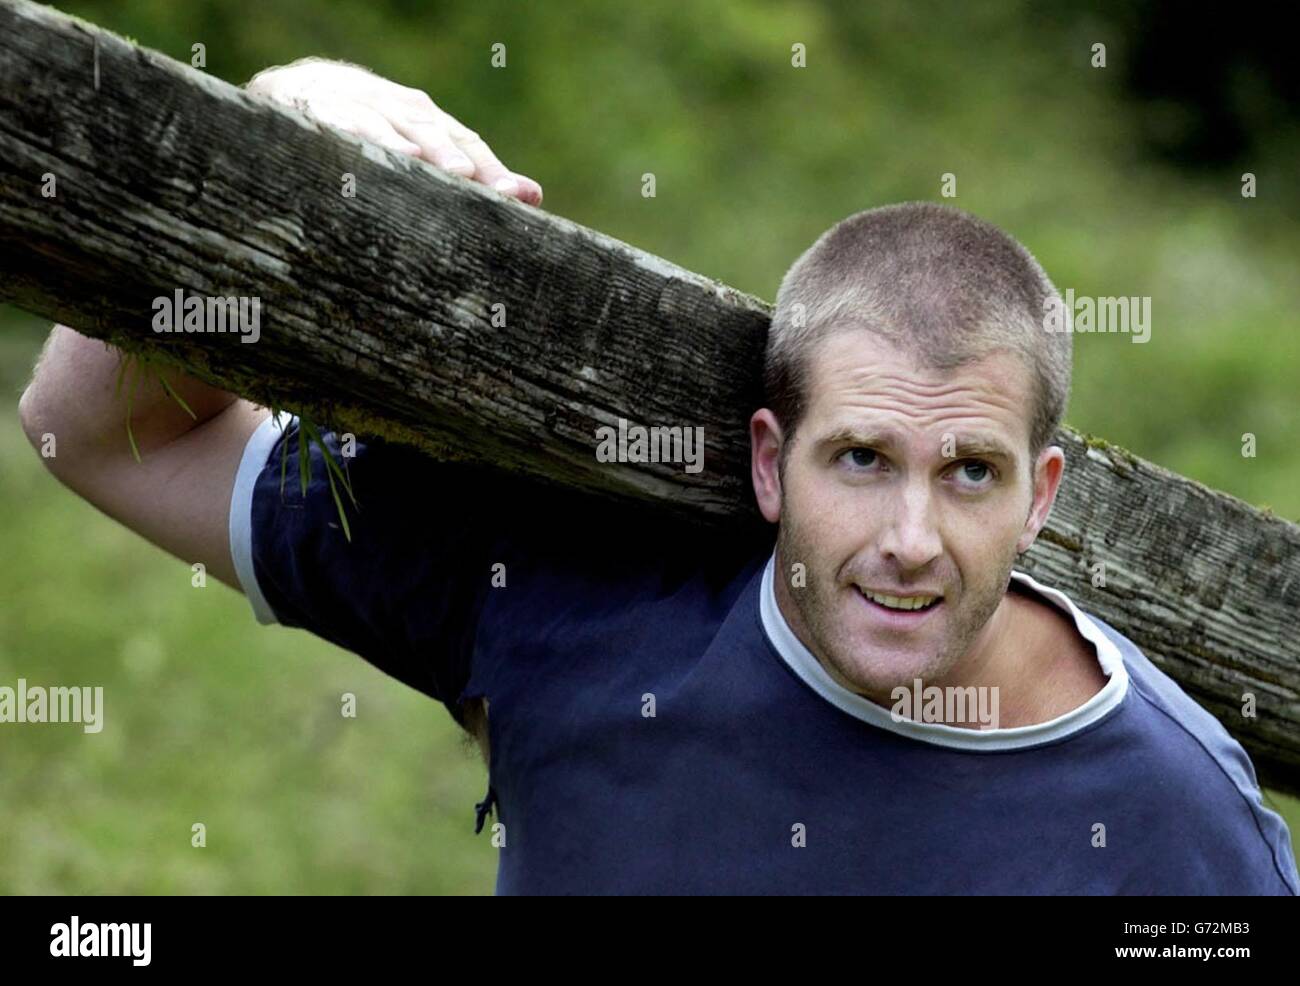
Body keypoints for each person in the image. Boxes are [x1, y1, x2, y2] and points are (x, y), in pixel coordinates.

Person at [19, 59, 1298, 895]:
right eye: (859, 457)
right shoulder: (561, 597)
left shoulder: (1173, 827)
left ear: (1044, 495)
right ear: (767, 461)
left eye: (969, 471)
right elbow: (94, 428)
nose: (910, 536)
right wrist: (284, 124)